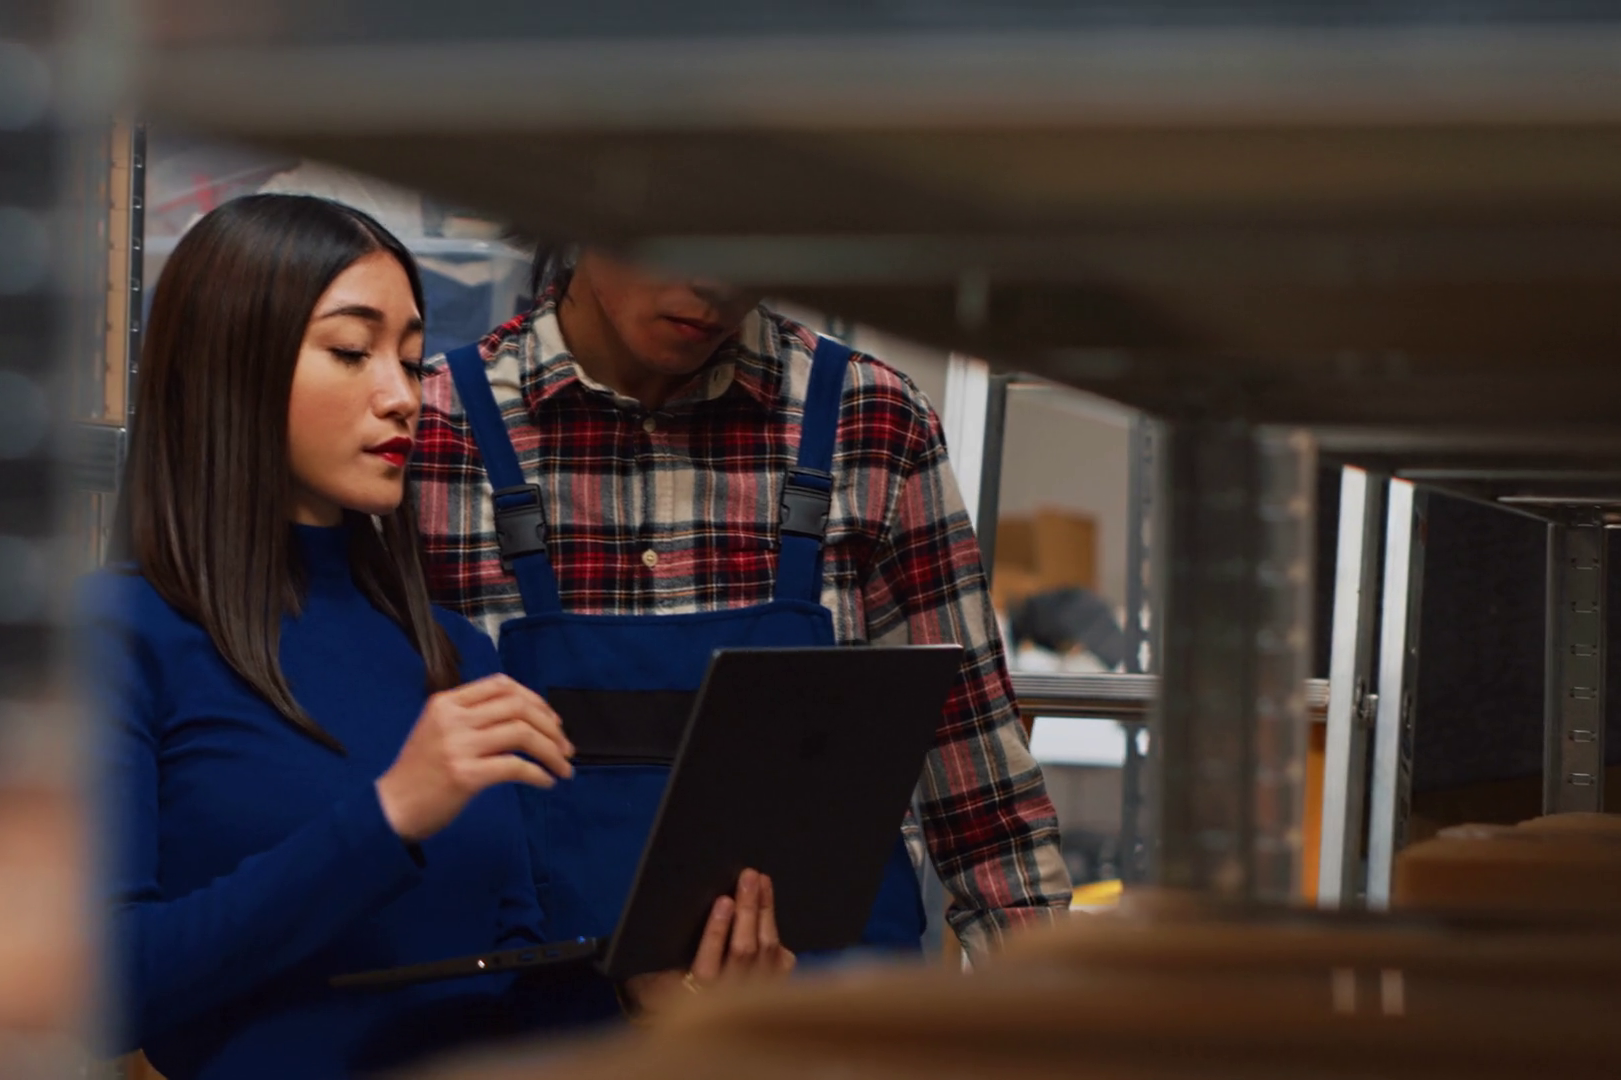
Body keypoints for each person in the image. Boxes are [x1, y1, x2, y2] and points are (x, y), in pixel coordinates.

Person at [80, 196, 789, 1080]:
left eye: (411, 359)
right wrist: (387, 817)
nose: (402, 396)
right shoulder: (114, 637)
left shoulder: (453, 656)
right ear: (231, 361)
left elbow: (499, 996)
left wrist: (635, 999)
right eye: (352, 351)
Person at [413, 245, 1075, 1007]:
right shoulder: (434, 433)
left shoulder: (867, 421)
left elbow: (983, 800)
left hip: (820, 1039)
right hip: (538, 1041)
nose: (717, 284)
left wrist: (1046, 1020)